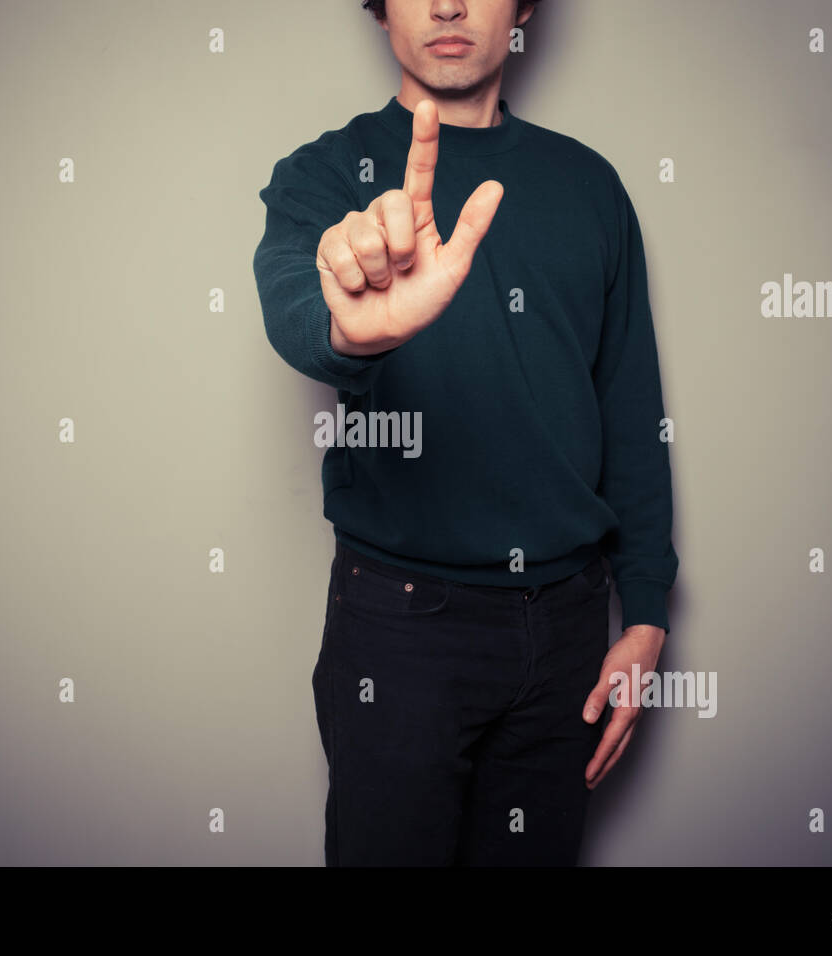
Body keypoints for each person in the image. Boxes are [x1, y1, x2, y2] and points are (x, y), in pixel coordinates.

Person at [252, 0, 678, 866]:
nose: (447, 3)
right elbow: (296, 309)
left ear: (523, 8)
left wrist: (645, 614)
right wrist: (350, 328)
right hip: (401, 629)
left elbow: (632, 411)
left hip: (567, 629)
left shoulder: (589, 186)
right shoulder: (325, 176)